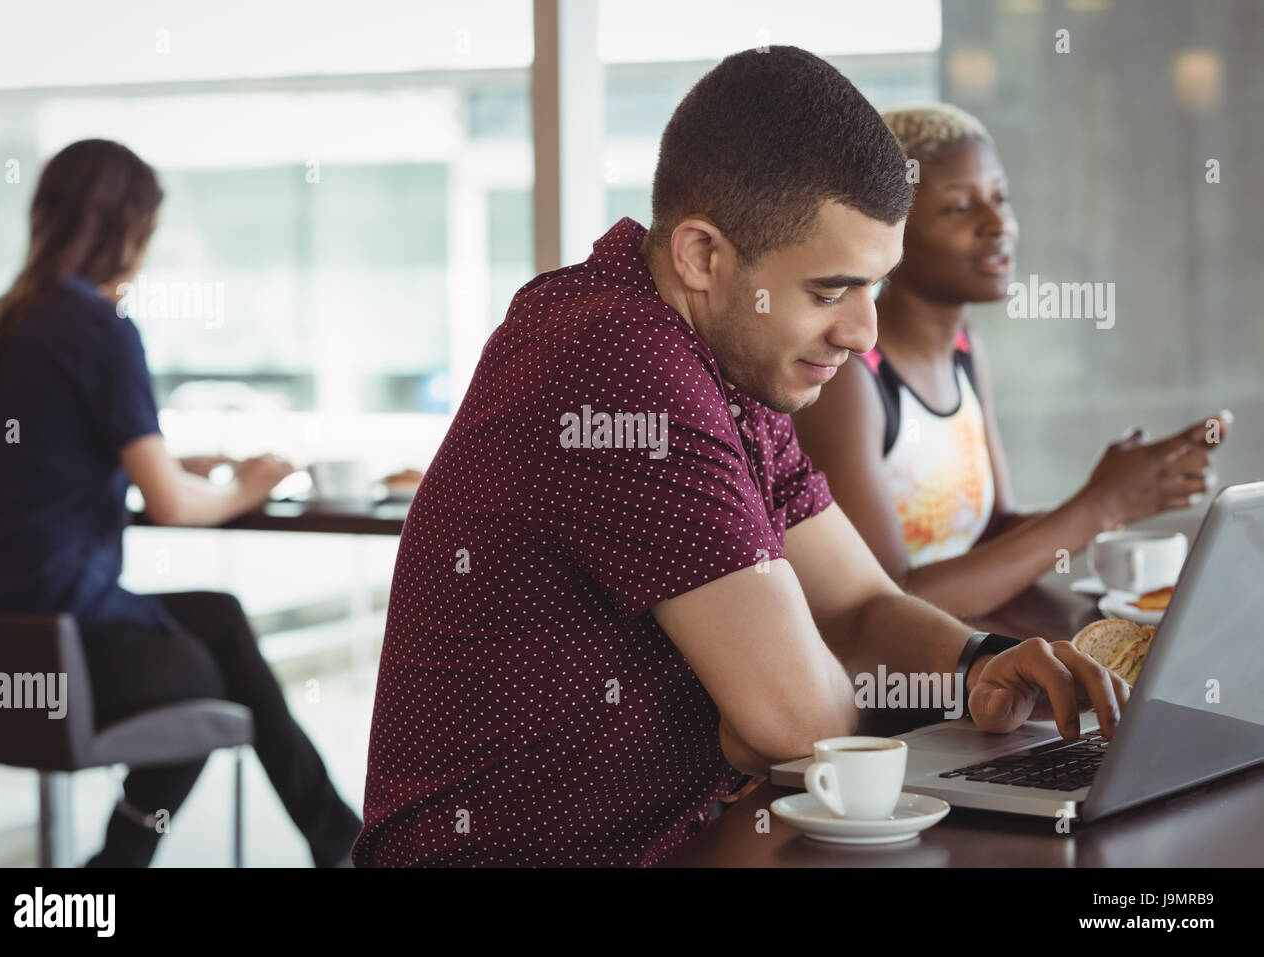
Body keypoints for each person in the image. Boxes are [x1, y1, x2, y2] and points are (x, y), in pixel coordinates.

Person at [355, 48, 1130, 868]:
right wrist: (766, 711)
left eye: (875, 286)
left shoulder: (727, 358)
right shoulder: (618, 361)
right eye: (831, 291)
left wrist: (980, 662)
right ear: (701, 256)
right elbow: (802, 725)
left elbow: (861, 605)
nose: (864, 332)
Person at [0, 139, 361, 867]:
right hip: (67, 645)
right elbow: (173, 507)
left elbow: (36, 460)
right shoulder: (99, 328)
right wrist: (246, 485)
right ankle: (123, 871)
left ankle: (339, 842)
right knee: (212, 680)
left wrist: (167, 460)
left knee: (220, 619)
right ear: (129, 230)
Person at [791, 104, 1231, 620]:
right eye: (959, 208)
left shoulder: (965, 352)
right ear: (890, 233)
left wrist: (1129, 494)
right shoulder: (848, 375)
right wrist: (1098, 508)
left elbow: (992, 534)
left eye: (1000, 198)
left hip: (979, 662)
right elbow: (884, 610)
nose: (997, 224)